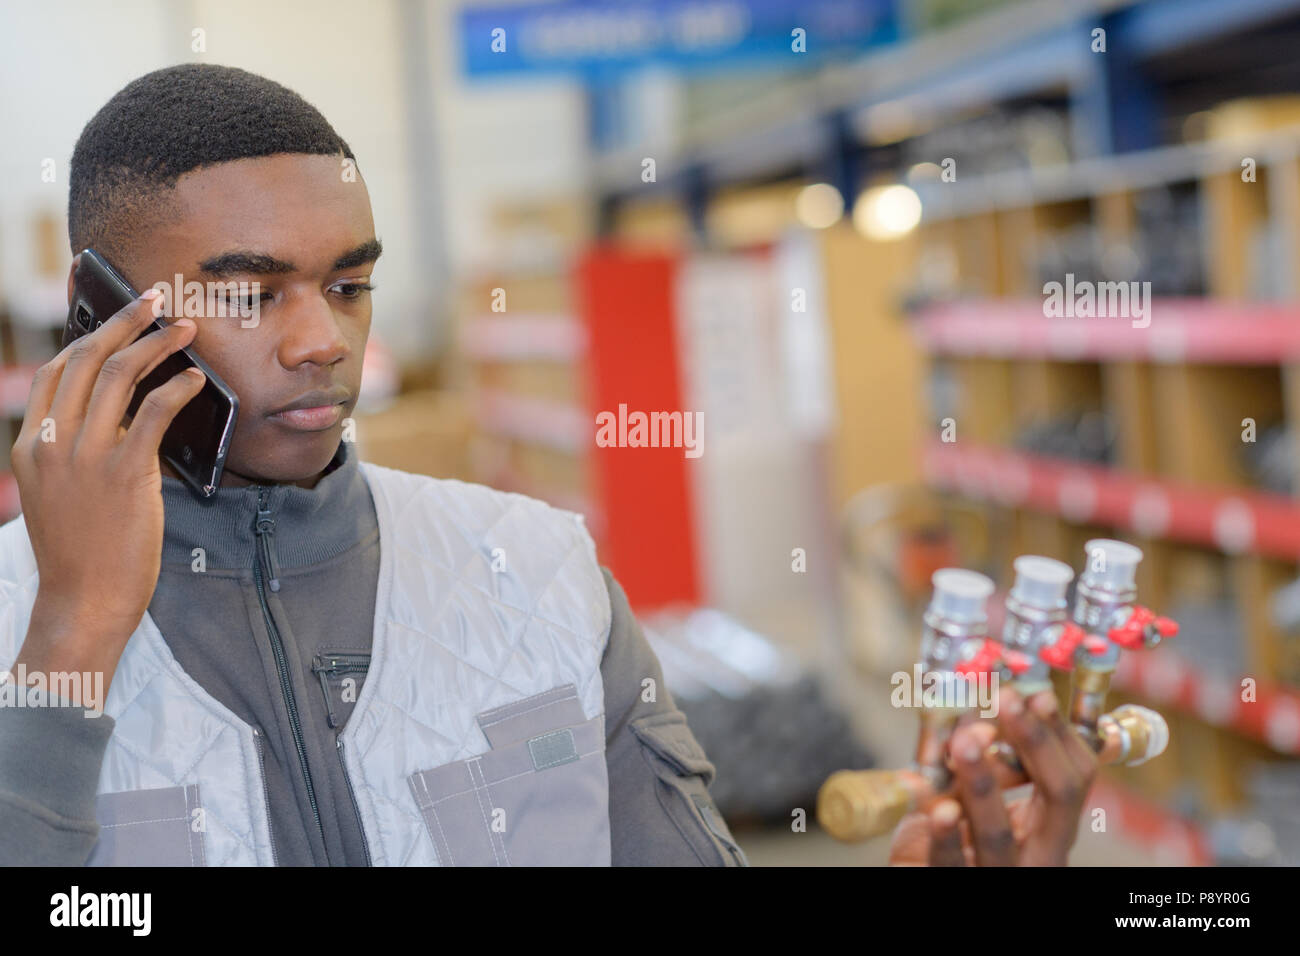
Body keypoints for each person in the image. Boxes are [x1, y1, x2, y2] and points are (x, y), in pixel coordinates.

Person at [0, 63, 1092, 868]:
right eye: (249, 294)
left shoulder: (534, 570)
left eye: (347, 283)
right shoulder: (18, 615)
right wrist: (71, 635)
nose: (321, 340)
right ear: (99, 315)